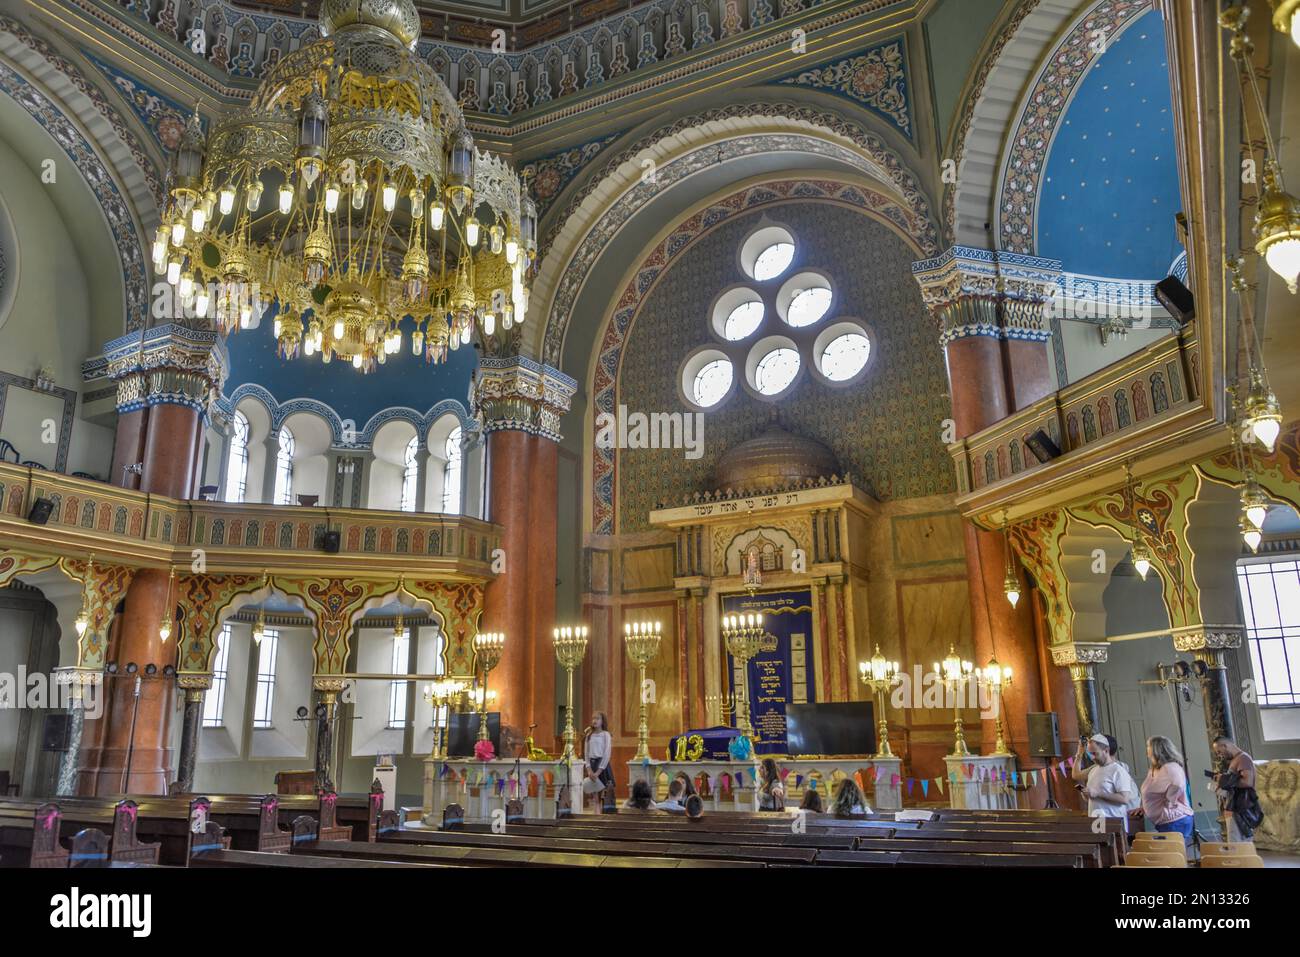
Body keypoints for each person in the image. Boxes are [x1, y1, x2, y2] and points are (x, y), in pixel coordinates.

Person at [1134, 735, 1195, 844]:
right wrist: (1144, 807)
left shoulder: (1170, 767)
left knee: (1173, 857)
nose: (1146, 749)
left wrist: (1169, 801)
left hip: (1175, 821)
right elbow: (1152, 792)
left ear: (1156, 749)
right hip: (1164, 821)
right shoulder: (1155, 768)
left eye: (1148, 746)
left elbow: (1177, 785)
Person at [1071, 732, 1136, 830]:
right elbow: (1093, 798)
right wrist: (1087, 795)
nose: (1092, 757)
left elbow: (1124, 799)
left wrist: (1098, 793)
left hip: (1113, 822)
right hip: (1097, 822)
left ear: (1106, 750)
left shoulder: (1118, 770)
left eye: (1095, 753)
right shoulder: (1093, 770)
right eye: (1090, 754)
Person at [1212, 734, 1261, 842]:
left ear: (1225, 745)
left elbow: (1247, 782)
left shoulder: (1243, 758)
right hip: (1234, 807)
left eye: (1219, 751)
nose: (1220, 755)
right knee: (1235, 844)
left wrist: (1225, 780)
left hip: (1240, 808)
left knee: (1238, 846)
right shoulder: (1236, 759)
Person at [583, 712, 613, 809]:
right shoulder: (589, 735)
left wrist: (598, 771)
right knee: (595, 794)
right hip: (592, 765)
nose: (594, 720)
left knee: (603, 793)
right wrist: (589, 769)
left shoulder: (606, 735)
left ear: (602, 721)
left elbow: (607, 753)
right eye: (593, 718)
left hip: (602, 766)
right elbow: (586, 754)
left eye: (597, 718)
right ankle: (596, 812)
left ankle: (603, 814)